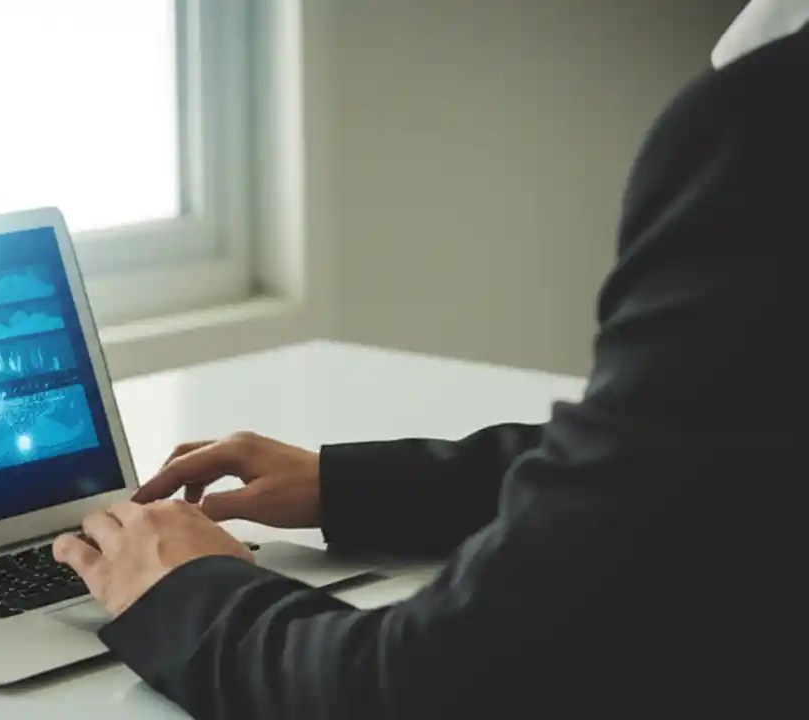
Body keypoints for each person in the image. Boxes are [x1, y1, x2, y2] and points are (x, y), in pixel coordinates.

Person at [52, 1, 809, 717]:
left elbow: (441, 685)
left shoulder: (764, 129)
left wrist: (187, 594)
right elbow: (705, 469)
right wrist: (351, 486)